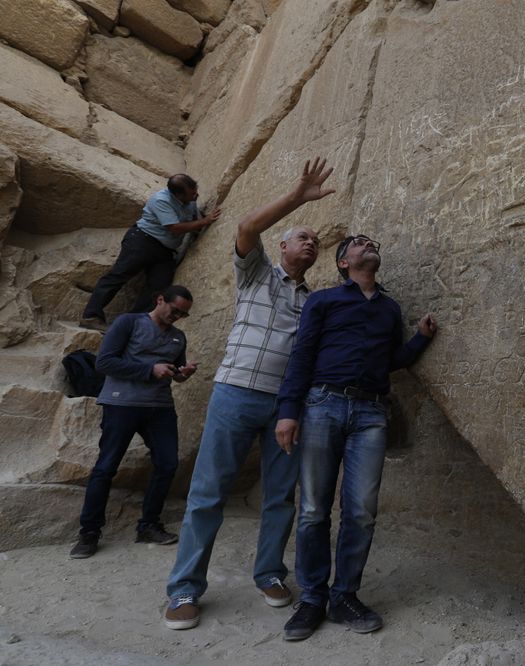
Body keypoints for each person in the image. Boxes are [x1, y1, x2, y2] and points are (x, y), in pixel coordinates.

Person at [163, 158, 335, 631]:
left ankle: (270, 573)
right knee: (207, 494)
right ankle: (183, 588)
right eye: (303, 237)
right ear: (282, 246)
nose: (311, 243)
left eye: (316, 242)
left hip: (285, 407)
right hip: (236, 392)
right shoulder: (257, 273)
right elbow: (245, 227)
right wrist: (297, 196)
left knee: (281, 496)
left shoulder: (314, 302)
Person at [276, 233, 437, 641]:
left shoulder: (389, 309)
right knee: (313, 508)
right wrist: (288, 411)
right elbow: (302, 355)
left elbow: (392, 360)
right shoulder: (323, 301)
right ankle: (312, 597)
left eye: (371, 242)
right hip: (322, 404)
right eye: (358, 243)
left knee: (362, 511)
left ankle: (344, 596)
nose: (368, 244)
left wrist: (420, 338)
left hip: (371, 413)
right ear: (343, 263)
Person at [70, 285, 198, 559]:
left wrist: (182, 374)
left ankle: (148, 526)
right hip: (121, 404)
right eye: (174, 310)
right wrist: (149, 370)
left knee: (167, 464)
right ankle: (89, 533)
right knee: (106, 467)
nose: (177, 316)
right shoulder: (129, 322)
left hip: (160, 407)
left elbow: (173, 372)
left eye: (183, 314)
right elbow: (104, 363)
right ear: (160, 299)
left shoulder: (178, 337)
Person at [79, 175, 221, 331]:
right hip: (142, 241)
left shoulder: (190, 202)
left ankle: (132, 325)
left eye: (196, 191)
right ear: (177, 195)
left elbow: (193, 220)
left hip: (165, 250)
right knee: (119, 275)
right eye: (192, 194)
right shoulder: (161, 200)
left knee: (159, 288)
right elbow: (174, 227)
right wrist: (204, 221)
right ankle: (91, 316)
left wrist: (200, 222)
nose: (196, 196)